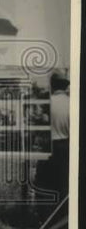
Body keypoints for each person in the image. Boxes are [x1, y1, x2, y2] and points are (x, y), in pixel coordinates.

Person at [49, 72, 70, 200]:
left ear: (52, 85)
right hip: (66, 145)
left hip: (48, 147)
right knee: (64, 181)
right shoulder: (71, 102)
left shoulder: (47, 102)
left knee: (48, 182)